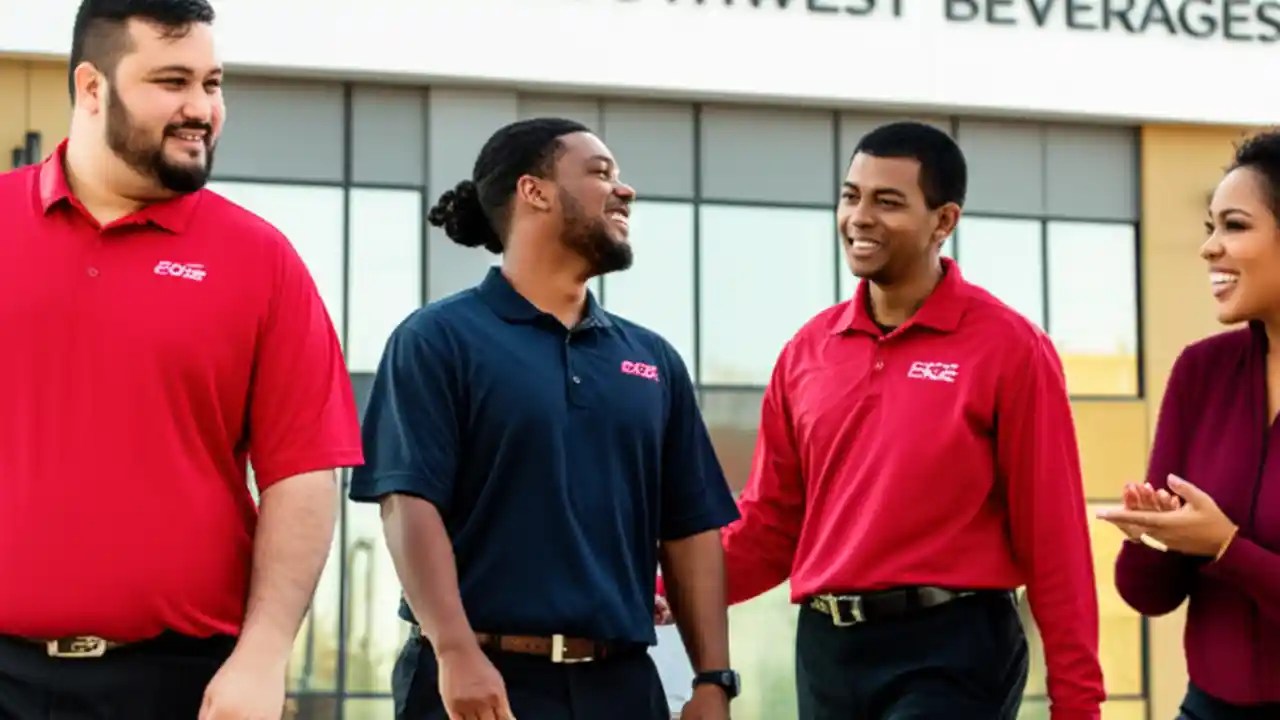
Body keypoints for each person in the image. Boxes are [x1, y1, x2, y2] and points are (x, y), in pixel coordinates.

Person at [661, 121, 1107, 719]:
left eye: (887, 202)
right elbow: (771, 529)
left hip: (952, 647)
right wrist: (660, 589)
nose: (860, 217)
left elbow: (1055, 541)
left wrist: (1077, 704)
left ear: (943, 221)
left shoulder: (1010, 348)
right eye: (851, 196)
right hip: (827, 651)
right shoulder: (807, 351)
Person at [0, 0, 364, 718]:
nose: (201, 107)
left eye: (213, 83)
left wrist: (263, 658)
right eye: (172, 81)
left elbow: (302, 474)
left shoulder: (261, 261)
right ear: (92, 88)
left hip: (181, 684)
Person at [348, 117, 742, 720]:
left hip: (623, 686)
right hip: (481, 682)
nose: (624, 189)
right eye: (600, 172)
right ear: (535, 190)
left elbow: (689, 528)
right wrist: (455, 651)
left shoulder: (653, 360)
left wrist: (713, 679)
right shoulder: (438, 339)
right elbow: (407, 503)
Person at [1099, 130, 1280, 719]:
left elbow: (1218, 543)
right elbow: (1150, 596)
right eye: (1209, 228)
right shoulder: (1201, 371)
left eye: (1233, 225)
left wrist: (1224, 546)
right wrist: (1151, 538)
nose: (1208, 248)